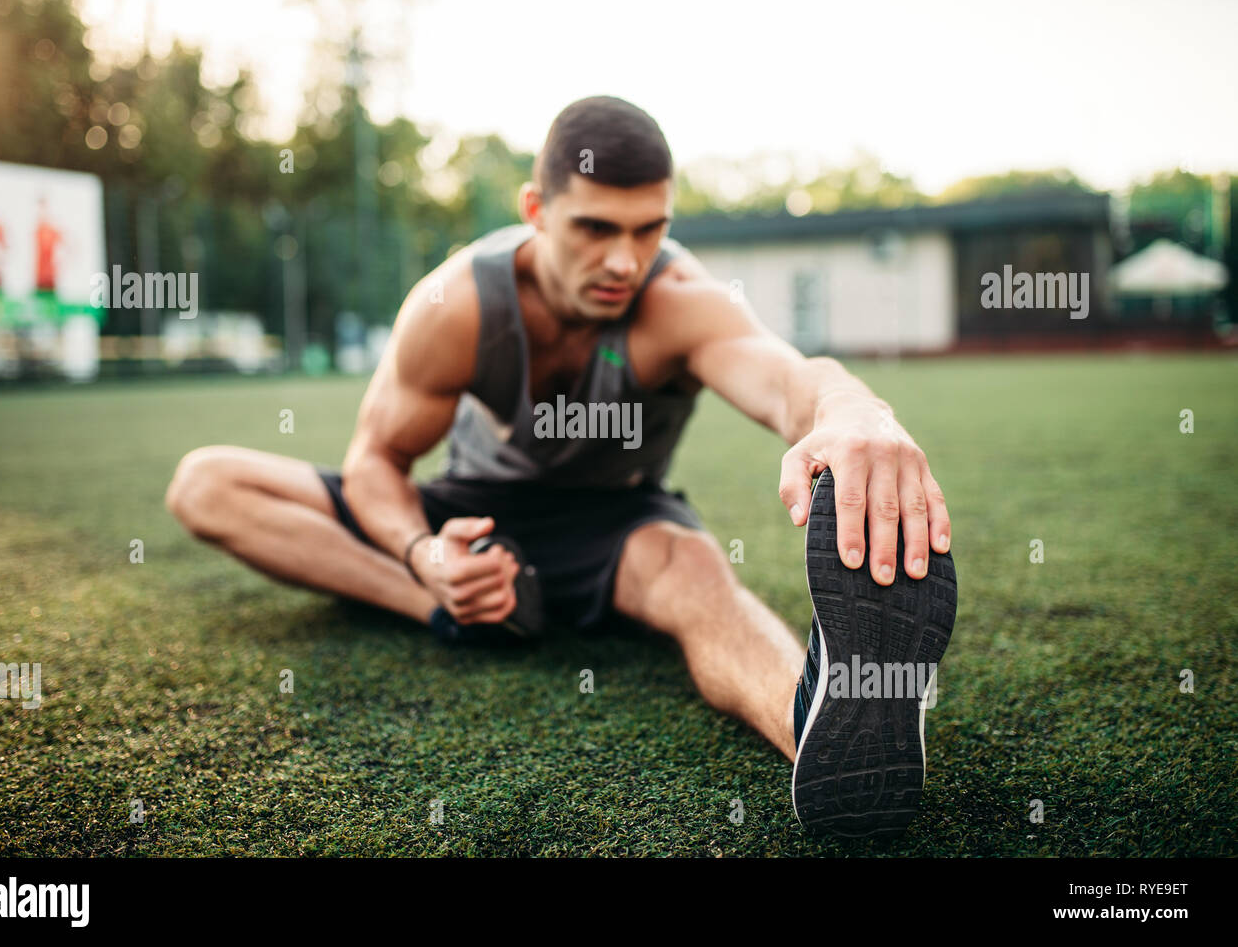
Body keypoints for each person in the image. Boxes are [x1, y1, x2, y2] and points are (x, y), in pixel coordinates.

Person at [165, 96, 956, 836]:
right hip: (470, 513)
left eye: (649, 229)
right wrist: (425, 555)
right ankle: (443, 605)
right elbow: (376, 459)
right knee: (206, 482)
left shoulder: (681, 301)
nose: (625, 259)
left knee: (698, 574)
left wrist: (853, 409)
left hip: (614, 522)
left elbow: (788, 382)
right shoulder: (457, 307)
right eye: (596, 227)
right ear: (536, 212)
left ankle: (826, 728)